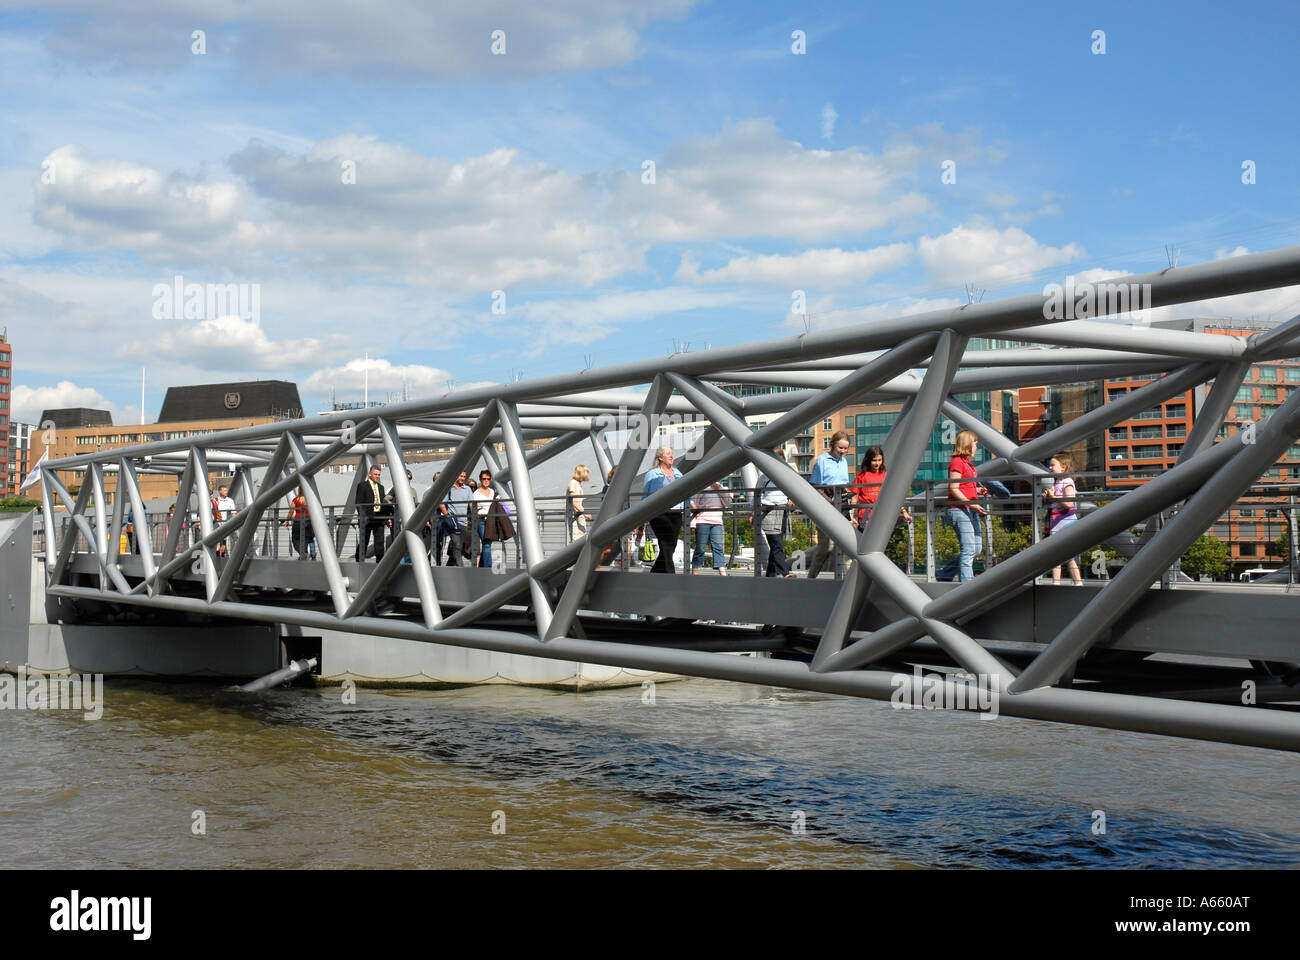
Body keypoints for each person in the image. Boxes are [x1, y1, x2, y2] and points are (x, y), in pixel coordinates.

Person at [938, 430, 988, 583]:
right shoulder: (957, 462)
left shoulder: (967, 462)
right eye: (975, 444)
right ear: (967, 444)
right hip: (959, 509)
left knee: (976, 548)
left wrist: (977, 490)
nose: (976, 447)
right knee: (968, 550)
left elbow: (964, 485)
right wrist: (972, 504)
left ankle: (945, 573)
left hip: (969, 508)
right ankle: (968, 586)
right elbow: (954, 488)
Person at [806, 431, 852, 578]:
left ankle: (847, 579)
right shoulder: (822, 461)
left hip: (842, 505)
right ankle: (811, 577)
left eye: (846, 449)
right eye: (840, 448)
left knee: (847, 545)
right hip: (826, 507)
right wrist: (829, 500)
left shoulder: (844, 462)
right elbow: (815, 485)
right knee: (827, 546)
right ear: (833, 445)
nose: (843, 452)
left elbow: (844, 484)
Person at [643, 446, 685, 574]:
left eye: (672, 454)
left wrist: (691, 505)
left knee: (671, 545)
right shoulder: (652, 474)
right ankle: (671, 574)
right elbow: (646, 495)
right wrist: (643, 513)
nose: (672, 456)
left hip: (676, 513)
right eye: (668, 454)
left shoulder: (677, 473)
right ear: (660, 457)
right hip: (659, 513)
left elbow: (685, 490)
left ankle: (655, 573)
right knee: (666, 543)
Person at [849, 445, 912, 529]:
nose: (877, 463)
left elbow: (893, 496)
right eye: (874, 460)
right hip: (866, 514)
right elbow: (855, 496)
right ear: (868, 460)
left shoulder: (885, 475)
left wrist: (904, 512)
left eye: (880, 460)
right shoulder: (861, 475)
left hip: (882, 514)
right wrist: (852, 515)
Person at [1045, 453, 1083, 585]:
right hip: (1058, 520)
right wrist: (1048, 497)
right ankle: (1058, 582)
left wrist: (1053, 498)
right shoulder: (1058, 482)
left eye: (1052, 465)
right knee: (1059, 556)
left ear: (1063, 467)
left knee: (1068, 557)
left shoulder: (1067, 481)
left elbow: (1069, 503)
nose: (1050, 467)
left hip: (1065, 520)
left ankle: (1075, 583)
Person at [755, 448, 794, 578]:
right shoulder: (764, 477)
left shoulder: (786, 475)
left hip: (782, 511)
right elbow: (756, 495)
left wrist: (791, 500)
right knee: (777, 543)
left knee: (775, 545)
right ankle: (784, 572)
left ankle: (770, 576)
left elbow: (792, 492)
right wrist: (752, 513)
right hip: (768, 512)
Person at [691, 480, 732, 574]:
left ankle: (722, 571)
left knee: (718, 546)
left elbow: (727, 503)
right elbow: (693, 506)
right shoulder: (701, 488)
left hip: (717, 522)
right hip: (702, 521)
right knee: (700, 548)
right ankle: (695, 570)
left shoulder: (723, 488)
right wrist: (693, 523)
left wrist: (719, 488)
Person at [472, 469, 510, 568]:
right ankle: (488, 567)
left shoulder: (492, 491)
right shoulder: (476, 494)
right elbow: (473, 507)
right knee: (487, 542)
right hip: (481, 520)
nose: (486, 481)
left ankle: (481, 566)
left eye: (488, 479)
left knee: (488, 543)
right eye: (484, 479)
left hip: (491, 520)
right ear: (480, 479)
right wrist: (476, 508)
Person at [439, 470, 474, 566]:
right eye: (460, 476)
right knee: (457, 544)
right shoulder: (450, 489)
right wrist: (448, 516)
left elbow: (471, 504)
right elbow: (442, 504)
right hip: (453, 522)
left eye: (464, 476)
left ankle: (449, 566)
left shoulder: (467, 489)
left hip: (463, 523)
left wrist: (475, 512)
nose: (462, 478)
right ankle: (460, 568)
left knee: (458, 547)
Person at [355, 466, 389, 562]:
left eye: (378, 475)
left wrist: (386, 518)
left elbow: (383, 503)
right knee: (364, 540)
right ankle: (359, 560)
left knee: (380, 541)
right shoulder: (362, 486)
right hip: (367, 517)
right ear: (370, 474)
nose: (377, 476)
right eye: (375, 474)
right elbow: (359, 502)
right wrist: (363, 516)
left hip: (379, 517)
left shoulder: (381, 487)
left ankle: (379, 561)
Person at [285, 486, 315, 560]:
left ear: (299, 490)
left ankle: (303, 553)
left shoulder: (296, 500)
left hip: (298, 521)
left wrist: (287, 520)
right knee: (310, 538)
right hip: (309, 520)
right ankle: (313, 555)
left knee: (296, 538)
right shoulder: (310, 499)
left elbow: (291, 511)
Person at [568, 465, 593, 542]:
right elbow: (573, 501)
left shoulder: (577, 484)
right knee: (578, 539)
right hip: (576, 515)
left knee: (582, 537)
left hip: (578, 514)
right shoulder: (573, 483)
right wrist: (585, 514)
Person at [214, 484, 236, 557]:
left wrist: (234, 522)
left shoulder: (230, 501)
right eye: (224, 490)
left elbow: (234, 513)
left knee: (224, 541)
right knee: (217, 539)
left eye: (226, 490)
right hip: (217, 523)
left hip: (226, 523)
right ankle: (217, 554)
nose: (226, 492)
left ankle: (222, 555)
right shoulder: (215, 501)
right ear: (220, 491)